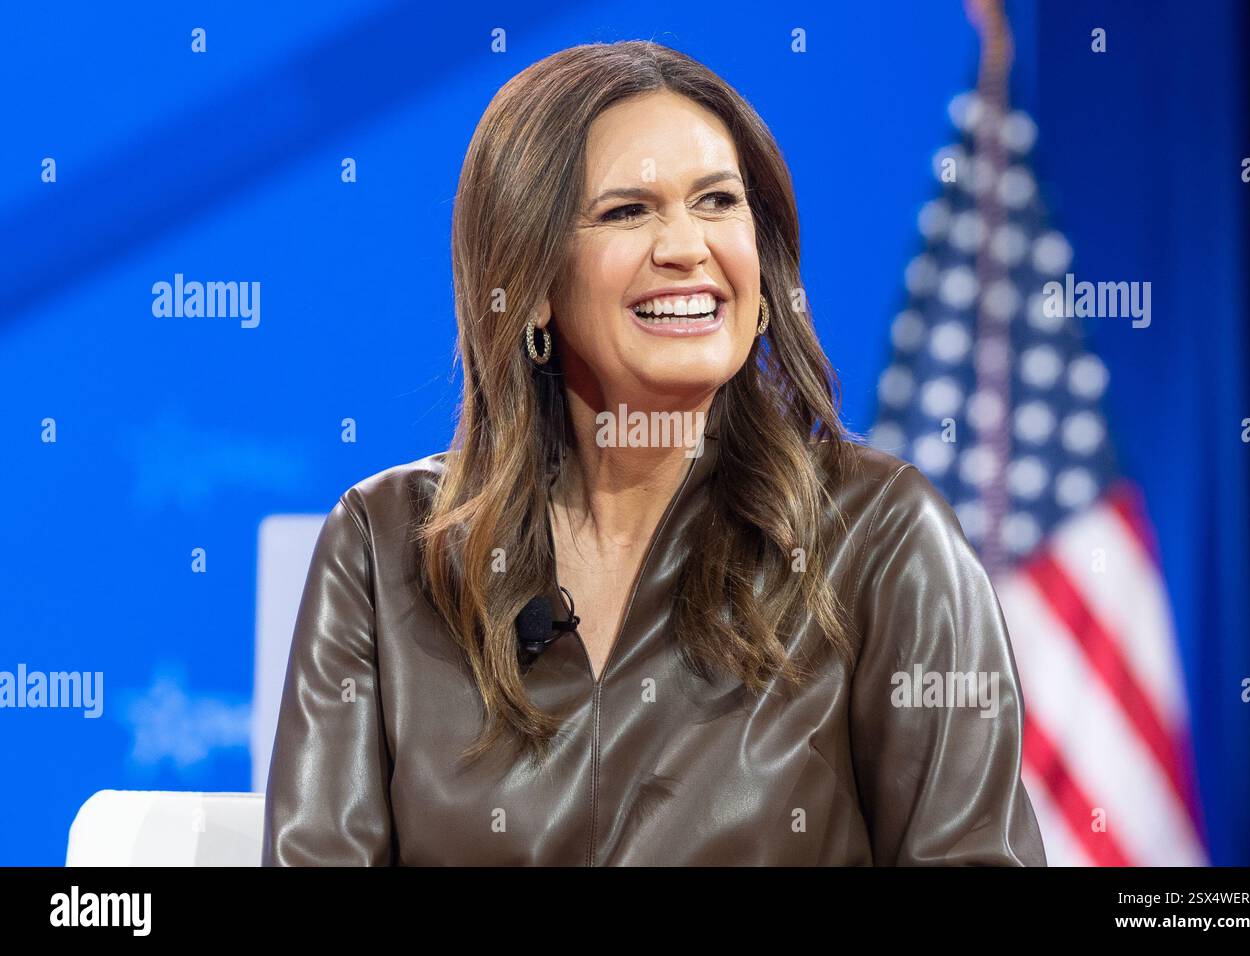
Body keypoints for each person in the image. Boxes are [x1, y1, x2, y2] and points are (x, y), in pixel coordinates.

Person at [261, 39, 1047, 866]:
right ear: (528, 284)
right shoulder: (385, 547)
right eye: (628, 212)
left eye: (717, 202)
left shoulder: (880, 537)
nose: (686, 247)